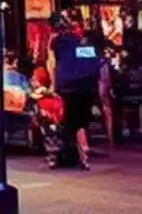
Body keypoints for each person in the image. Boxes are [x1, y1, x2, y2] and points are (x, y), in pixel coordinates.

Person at [48, 11, 101, 170]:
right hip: (87, 85)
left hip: (68, 86)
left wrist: (53, 86)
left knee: (68, 121)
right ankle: (83, 153)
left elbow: (53, 65)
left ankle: (71, 153)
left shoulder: (56, 42)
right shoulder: (81, 41)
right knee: (80, 121)